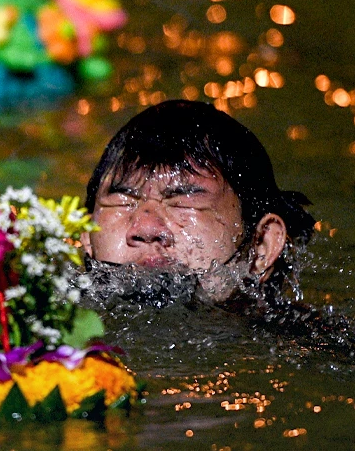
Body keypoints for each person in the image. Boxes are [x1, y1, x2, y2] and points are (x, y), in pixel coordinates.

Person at [82, 99, 316, 304]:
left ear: (262, 246)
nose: (146, 228)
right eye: (124, 200)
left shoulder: (309, 350)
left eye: (183, 201)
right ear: (86, 235)